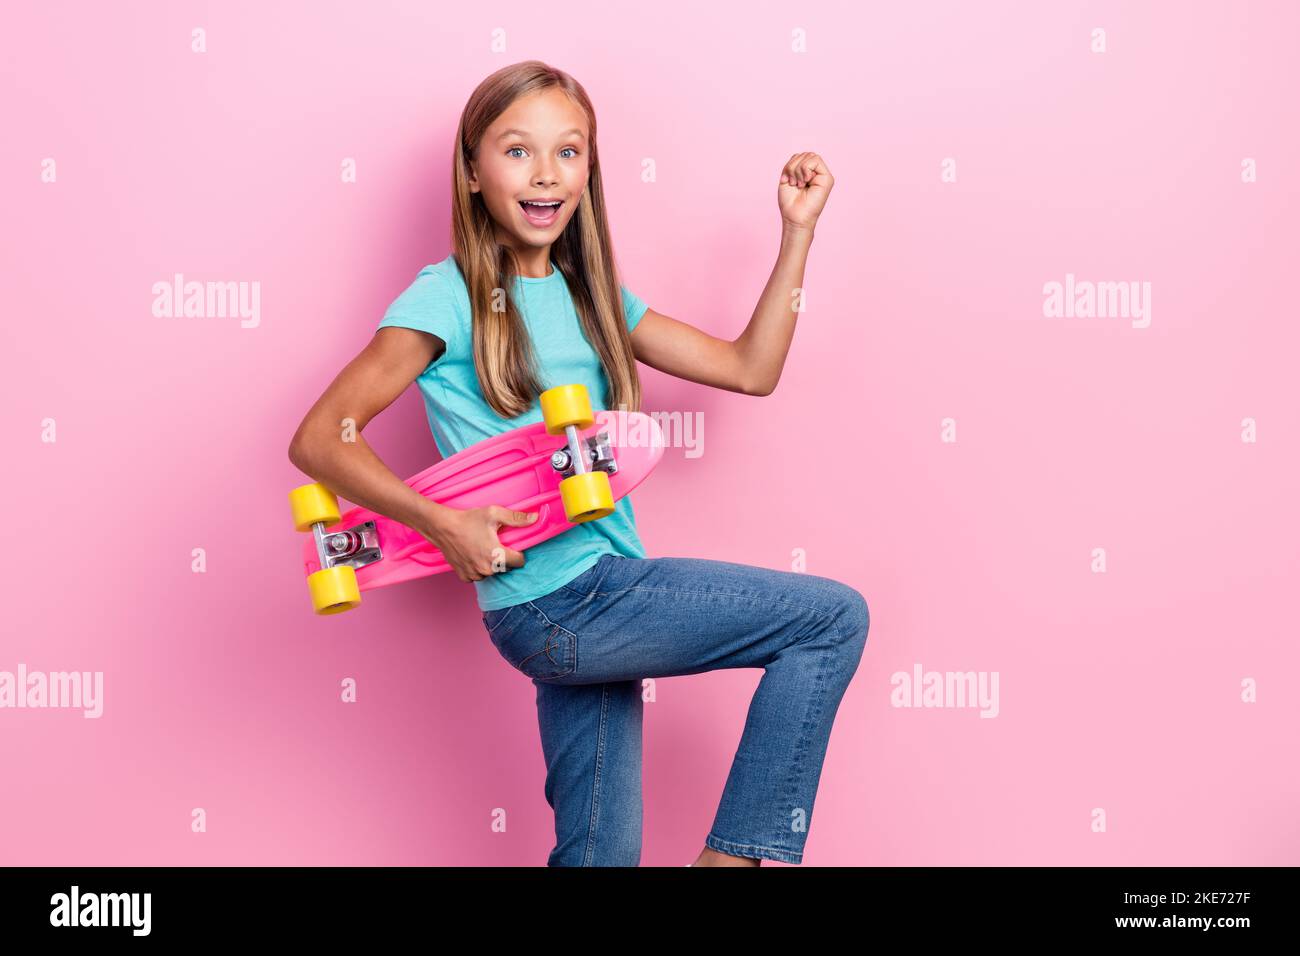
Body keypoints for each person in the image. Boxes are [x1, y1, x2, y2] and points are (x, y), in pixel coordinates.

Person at [288, 60, 869, 867]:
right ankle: (734, 860)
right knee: (831, 620)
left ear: (589, 170)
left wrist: (798, 231)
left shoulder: (594, 297)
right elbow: (321, 437)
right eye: (517, 150)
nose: (546, 173)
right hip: (567, 597)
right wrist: (442, 523)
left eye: (569, 151)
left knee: (598, 857)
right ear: (471, 171)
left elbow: (749, 369)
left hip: (577, 614)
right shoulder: (446, 295)